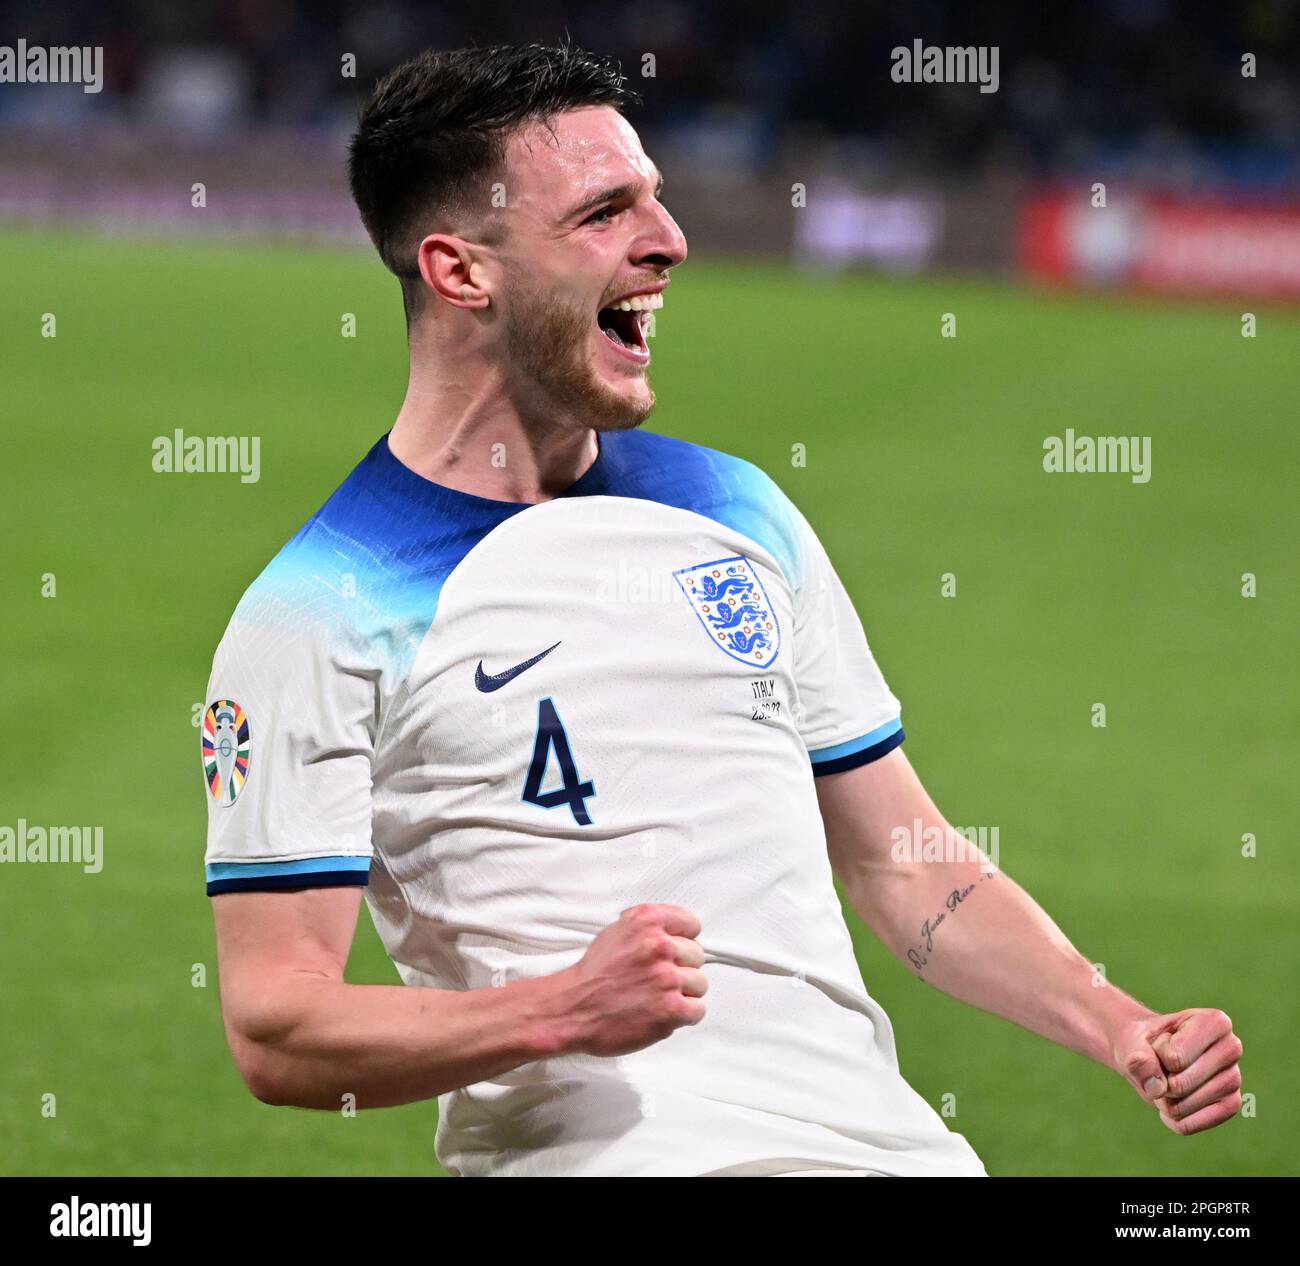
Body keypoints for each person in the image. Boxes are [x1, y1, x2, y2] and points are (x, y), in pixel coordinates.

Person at [201, 43, 1242, 1177]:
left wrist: (1119, 1023)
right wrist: (559, 1011)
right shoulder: (318, 613)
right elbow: (276, 1025)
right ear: (461, 273)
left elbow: (905, 863)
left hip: (894, 1151)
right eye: (605, 212)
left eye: (655, 193)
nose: (669, 239)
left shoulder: (735, 508)